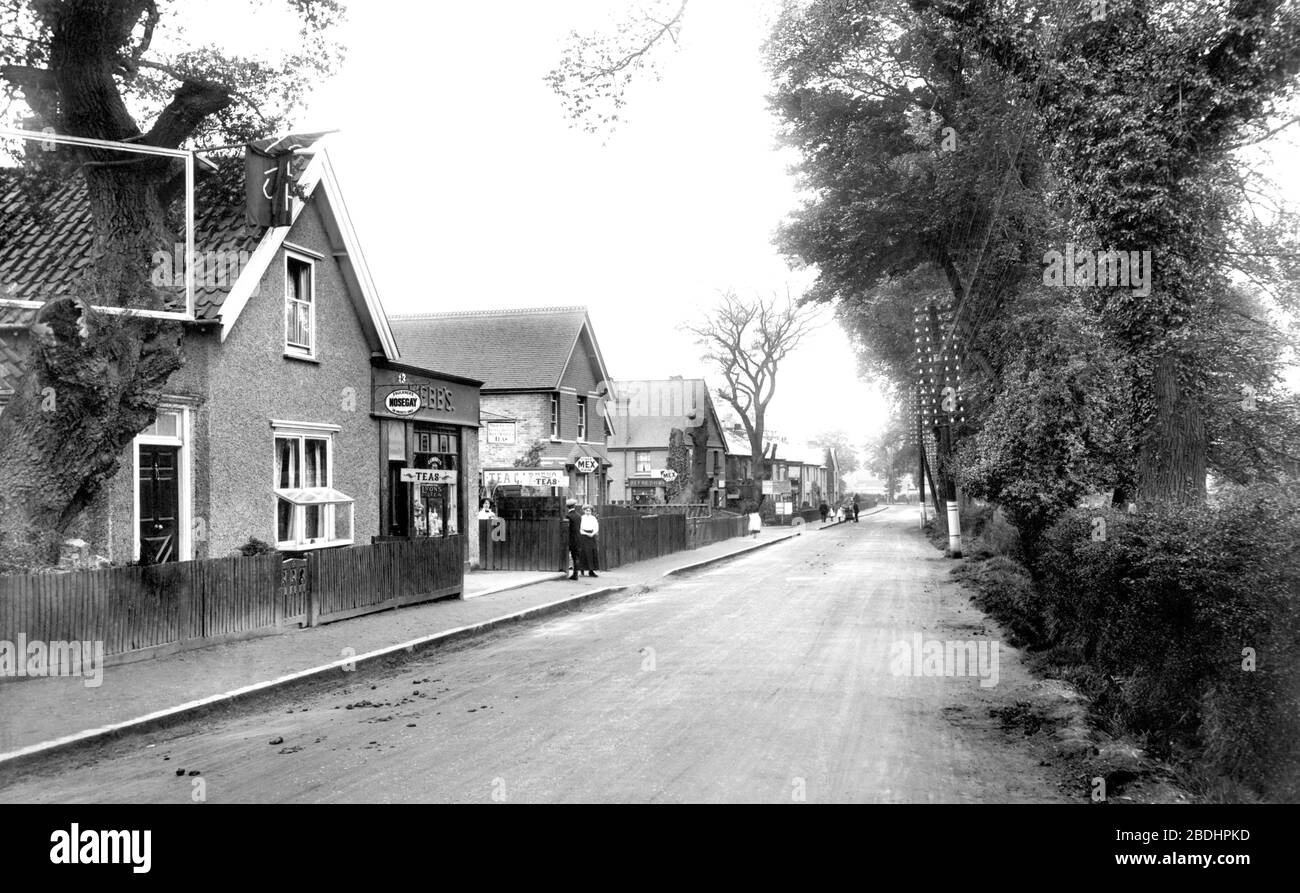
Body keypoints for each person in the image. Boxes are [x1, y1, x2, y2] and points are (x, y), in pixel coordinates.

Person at [578, 504, 600, 577]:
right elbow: (580, 529)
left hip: (591, 536)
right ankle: (582, 570)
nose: (588, 512)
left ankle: (591, 570)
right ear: (584, 511)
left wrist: (593, 533)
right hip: (583, 536)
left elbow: (596, 527)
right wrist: (585, 533)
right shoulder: (581, 518)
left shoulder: (593, 518)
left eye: (589, 511)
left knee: (592, 552)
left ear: (591, 511)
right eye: (586, 510)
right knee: (583, 552)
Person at [565, 498, 582, 580]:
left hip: (570, 539)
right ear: (574, 506)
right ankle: (576, 574)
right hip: (578, 538)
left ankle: (567, 572)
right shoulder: (579, 516)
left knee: (567, 555)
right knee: (576, 557)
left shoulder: (568, 516)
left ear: (567, 507)